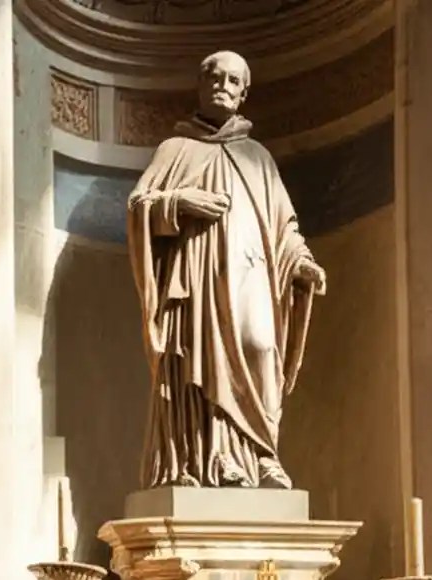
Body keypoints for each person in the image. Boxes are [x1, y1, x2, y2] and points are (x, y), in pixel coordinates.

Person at [126, 50, 327, 490]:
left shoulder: (258, 158)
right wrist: (178, 203)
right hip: (196, 283)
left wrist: (301, 263)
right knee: (197, 361)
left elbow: (285, 227)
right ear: (200, 86)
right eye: (214, 77)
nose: (223, 85)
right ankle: (207, 459)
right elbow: (139, 206)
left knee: (261, 346)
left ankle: (262, 454)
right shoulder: (175, 149)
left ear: (244, 93)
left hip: (250, 277)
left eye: (233, 80)